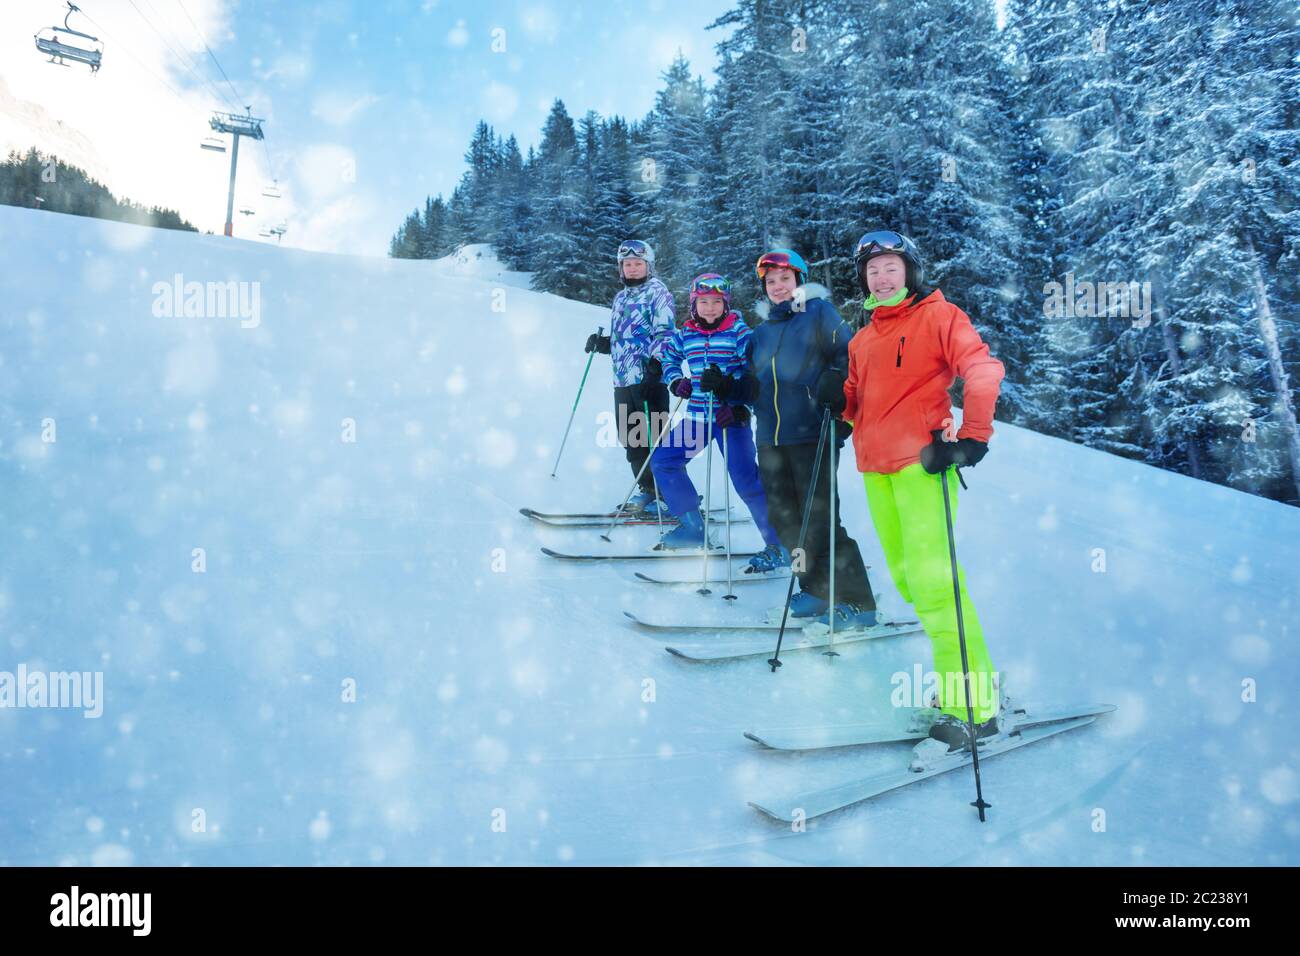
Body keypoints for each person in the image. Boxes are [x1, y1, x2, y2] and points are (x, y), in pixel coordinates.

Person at [840, 229, 1005, 752]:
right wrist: (833, 397)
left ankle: (972, 706)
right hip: (876, 470)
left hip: (923, 466)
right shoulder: (863, 339)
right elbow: (855, 401)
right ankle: (964, 677)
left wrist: (974, 436)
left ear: (909, 271)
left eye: (891, 267)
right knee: (909, 581)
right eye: (872, 270)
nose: (882, 277)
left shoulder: (939, 315)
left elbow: (982, 369)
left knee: (936, 586)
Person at [740, 249, 878, 627]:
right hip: (770, 438)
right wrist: (731, 389)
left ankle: (858, 602)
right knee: (787, 523)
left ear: (799, 281)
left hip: (812, 433)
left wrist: (837, 390)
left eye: (785, 279)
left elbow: (849, 358)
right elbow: (754, 386)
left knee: (820, 521)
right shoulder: (761, 333)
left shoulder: (820, 314)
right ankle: (815, 588)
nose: (778, 287)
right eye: (771, 282)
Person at [649, 274, 787, 571]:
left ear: (726, 304)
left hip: (729, 419)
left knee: (747, 481)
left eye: (716, 302)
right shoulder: (685, 334)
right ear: (694, 305)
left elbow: (755, 375)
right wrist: (676, 382)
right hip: (698, 416)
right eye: (703, 302)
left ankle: (779, 544)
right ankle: (692, 527)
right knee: (663, 461)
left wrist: (738, 406)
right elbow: (668, 359)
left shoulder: (740, 333)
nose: (709, 308)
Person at [585, 240, 675, 514]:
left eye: (638, 263)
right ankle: (648, 490)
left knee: (655, 439)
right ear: (621, 268)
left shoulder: (658, 293)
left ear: (649, 265)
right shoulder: (620, 298)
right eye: (628, 264)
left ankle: (673, 494)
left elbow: (665, 333)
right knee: (632, 439)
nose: (633, 268)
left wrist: (656, 366)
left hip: (650, 379)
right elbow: (626, 337)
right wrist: (605, 344)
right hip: (623, 380)